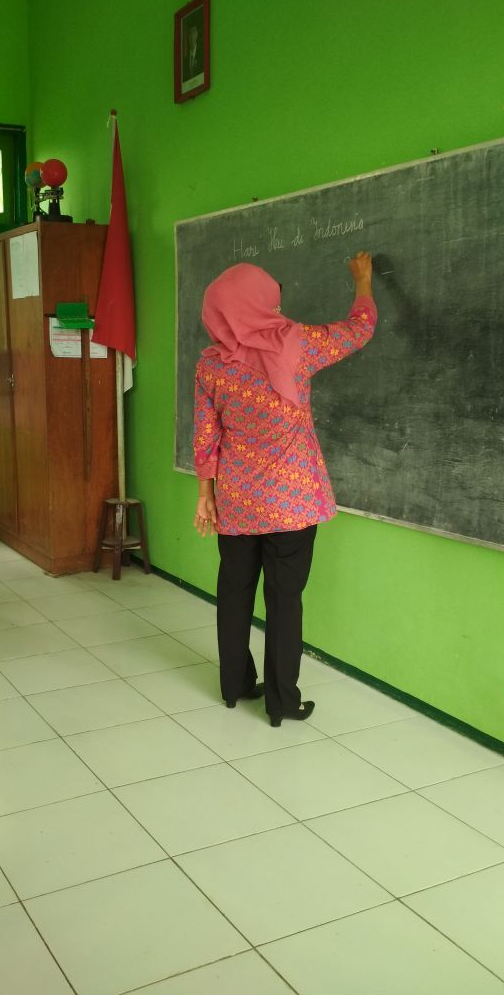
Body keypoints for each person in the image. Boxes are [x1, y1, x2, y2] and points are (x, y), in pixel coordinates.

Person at [192, 253, 377, 726]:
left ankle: (234, 687)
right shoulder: (297, 344)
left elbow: (206, 436)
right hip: (292, 501)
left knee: (234, 593)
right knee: (284, 601)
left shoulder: (211, 364)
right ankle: (281, 703)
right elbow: (359, 330)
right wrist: (362, 283)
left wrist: (205, 494)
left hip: (236, 501)